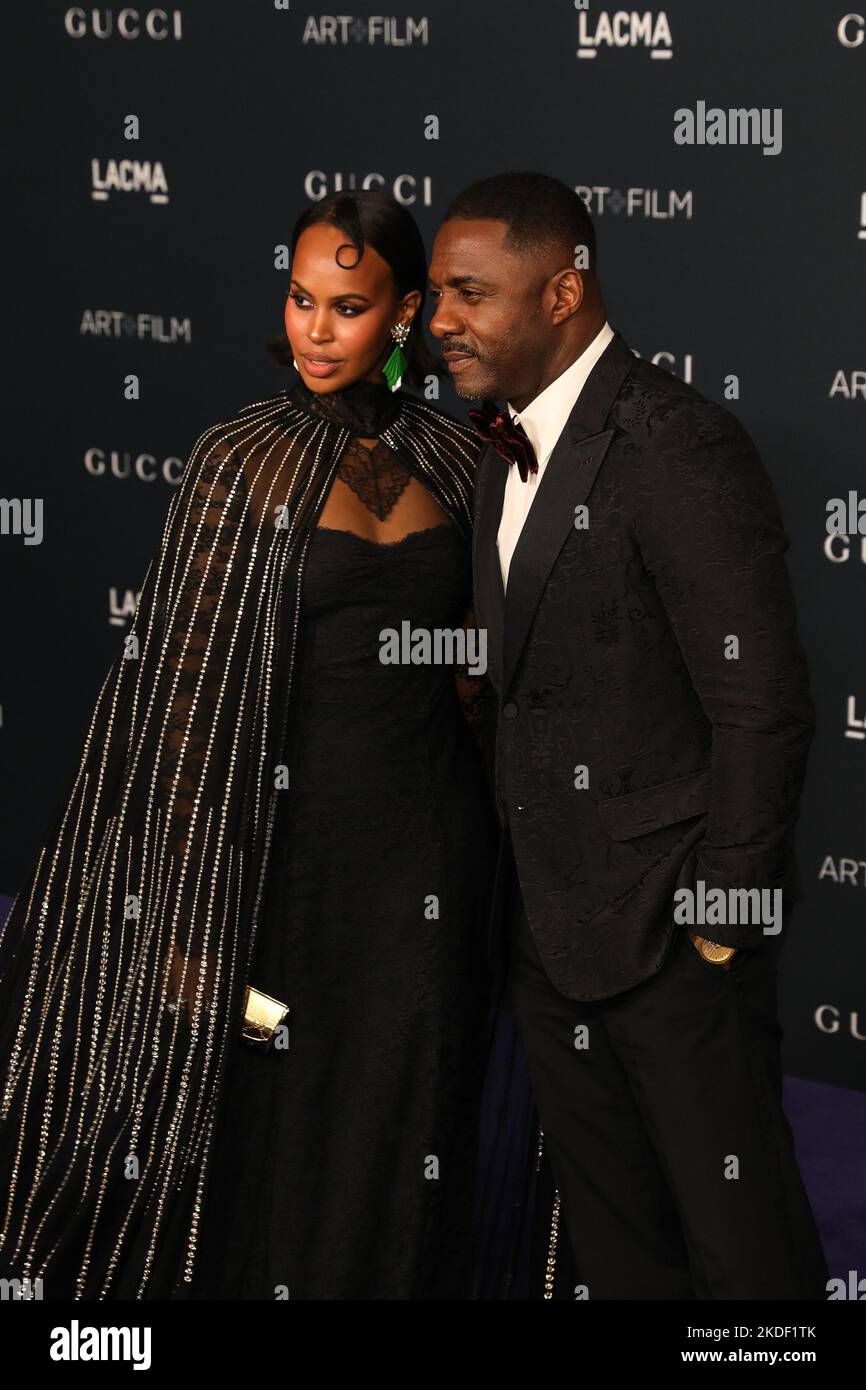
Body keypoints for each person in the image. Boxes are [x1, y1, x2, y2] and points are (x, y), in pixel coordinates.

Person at [0, 189, 499, 1299]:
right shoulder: (239, 459)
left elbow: (484, 674)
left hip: (427, 859)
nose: (316, 330)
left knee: (405, 1103)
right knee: (272, 1115)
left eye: (350, 305)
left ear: (406, 314)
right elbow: (180, 703)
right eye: (300, 299)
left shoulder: (460, 458)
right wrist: (184, 914)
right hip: (281, 859)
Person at [429, 170, 830, 1299]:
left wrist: (717, 924)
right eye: (434, 296)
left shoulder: (674, 443)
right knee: (616, 1245)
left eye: (469, 293)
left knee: (742, 1251)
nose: (438, 322)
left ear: (562, 292)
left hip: (669, 940)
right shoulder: (491, 445)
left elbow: (759, 699)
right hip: (548, 931)